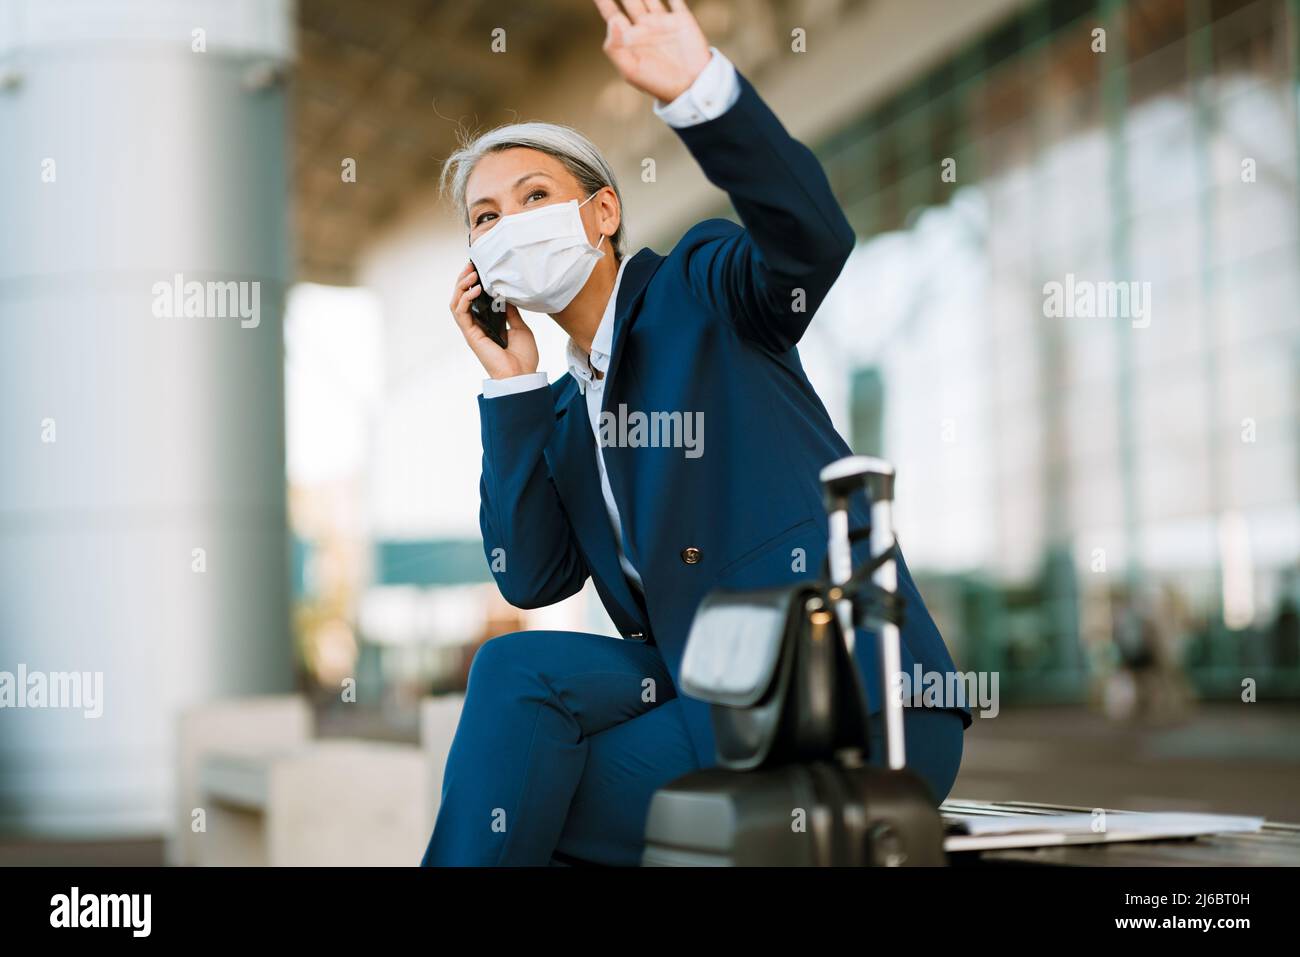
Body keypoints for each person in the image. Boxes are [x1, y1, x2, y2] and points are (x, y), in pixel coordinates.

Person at [421, 0, 970, 867]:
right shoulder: (559, 416)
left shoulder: (701, 292)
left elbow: (811, 240)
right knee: (509, 679)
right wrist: (516, 385)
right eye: (484, 217)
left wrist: (699, 92)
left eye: (533, 196)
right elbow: (530, 576)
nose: (506, 222)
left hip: (845, 702)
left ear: (603, 214)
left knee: (523, 798)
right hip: (704, 701)